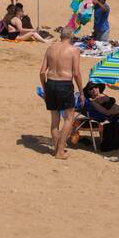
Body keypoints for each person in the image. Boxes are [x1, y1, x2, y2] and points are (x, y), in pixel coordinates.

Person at [40, 27, 84, 159]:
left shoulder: (50, 48)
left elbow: (42, 72)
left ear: (60, 37)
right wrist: (81, 92)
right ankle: (60, 151)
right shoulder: (74, 50)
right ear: (71, 37)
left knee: (55, 119)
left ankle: (55, 149)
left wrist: (45, 88)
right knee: (69, 118)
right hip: (64, 85)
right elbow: (76, 73)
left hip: (50, 84)